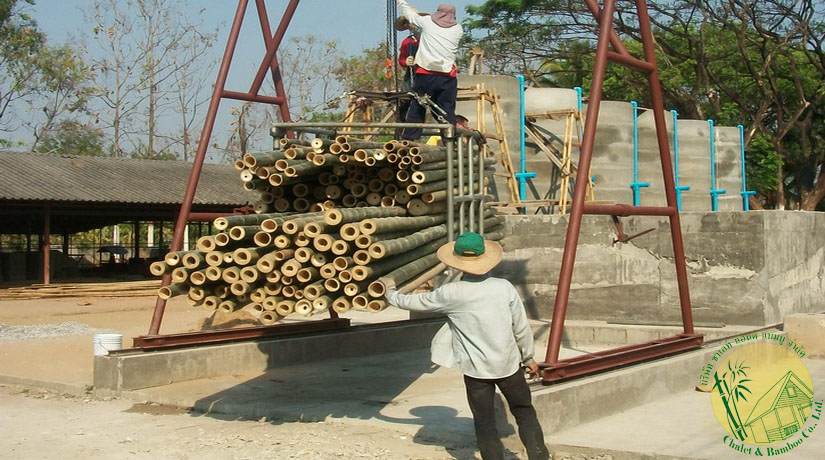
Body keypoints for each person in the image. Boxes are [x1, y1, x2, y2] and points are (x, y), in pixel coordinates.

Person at [381, 232, 550, 460]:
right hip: (508, 365)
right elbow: (520, 327)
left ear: (458, 262)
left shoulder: (451, 293)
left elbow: (412, 302)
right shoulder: (503, 287)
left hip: (476, 370)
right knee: (524, 412)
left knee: (484, 422)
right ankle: (539, 456)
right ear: (485, 258)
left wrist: (390, 291)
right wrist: (529, 358)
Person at [396, 1, 463, 141]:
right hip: (448, 77)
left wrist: (401, 2)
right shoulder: (458, 29)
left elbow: (409, 14)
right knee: (447, 110)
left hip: (426, 74)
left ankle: (410, 138)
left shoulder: (427, 23)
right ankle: (450, 140)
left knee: (418, 107)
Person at [395, 15, 420, 138]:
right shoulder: (407, 42)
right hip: (411, 75)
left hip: (427, 73)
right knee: (404, 102)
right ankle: (400, 135)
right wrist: (406, 62)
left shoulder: (429, 39)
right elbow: (401, 60)